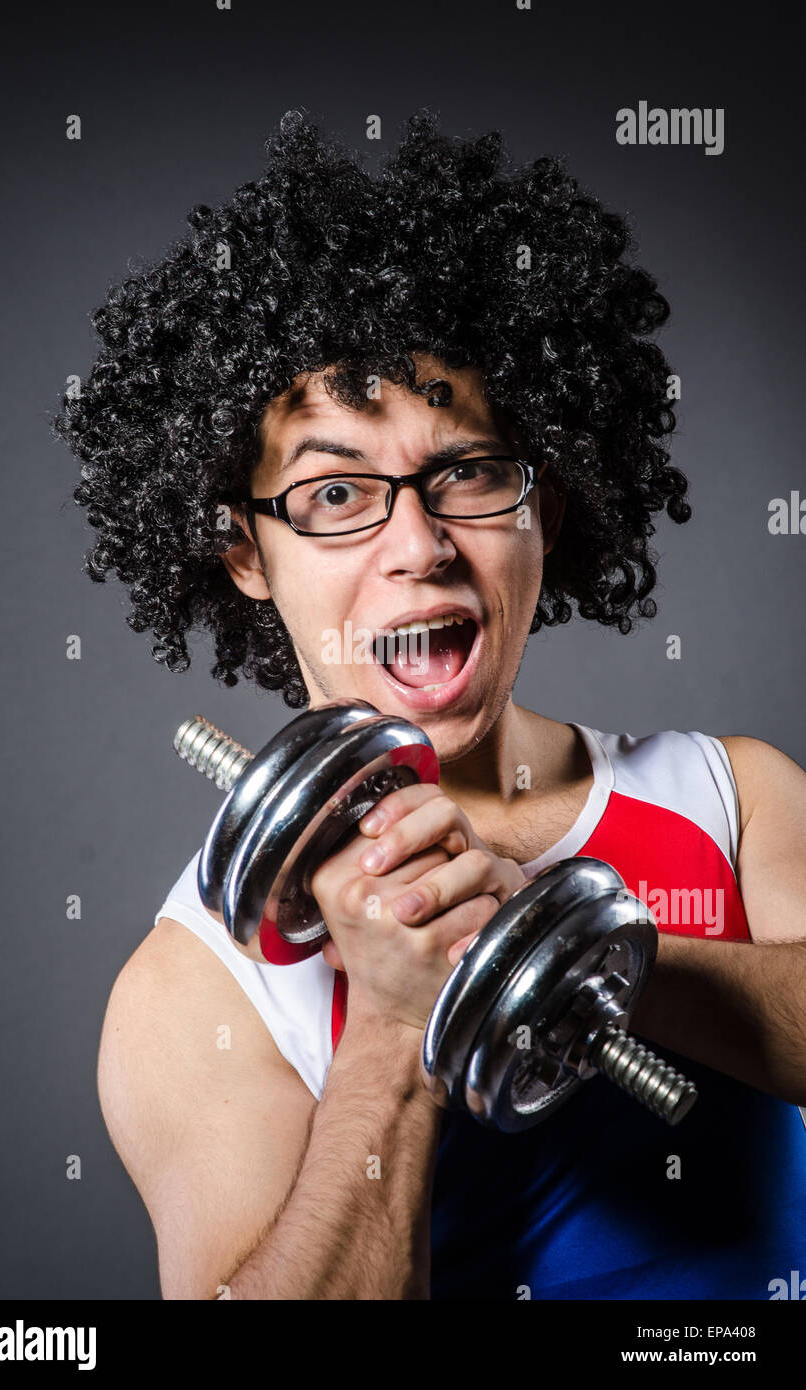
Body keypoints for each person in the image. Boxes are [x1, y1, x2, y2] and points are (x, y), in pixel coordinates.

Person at [53, 108, 806, 1300]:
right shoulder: (198, 989)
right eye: (337, 493)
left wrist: (588, 947)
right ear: (245, 554)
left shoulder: (732, 797)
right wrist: (395, 1036)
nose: (419, 543)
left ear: (542, 509)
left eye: (466, 473)